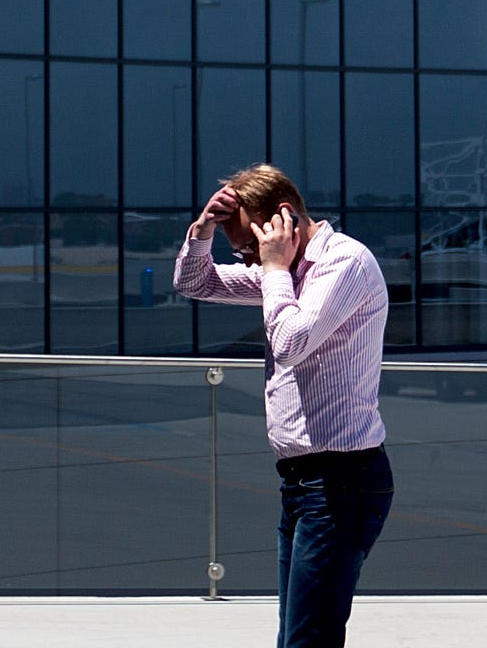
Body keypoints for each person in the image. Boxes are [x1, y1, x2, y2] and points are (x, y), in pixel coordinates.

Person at [176, 164, 391, 648]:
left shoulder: (343, 263)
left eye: (249, 245)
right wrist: (203, 230)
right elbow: (197, 284)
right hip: (302, 484)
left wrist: (272, 269)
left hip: (343, 481)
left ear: (283, 220)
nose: (247, 258)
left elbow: (292, 342)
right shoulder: (287, 272)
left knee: (306, 640)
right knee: (296, 637)